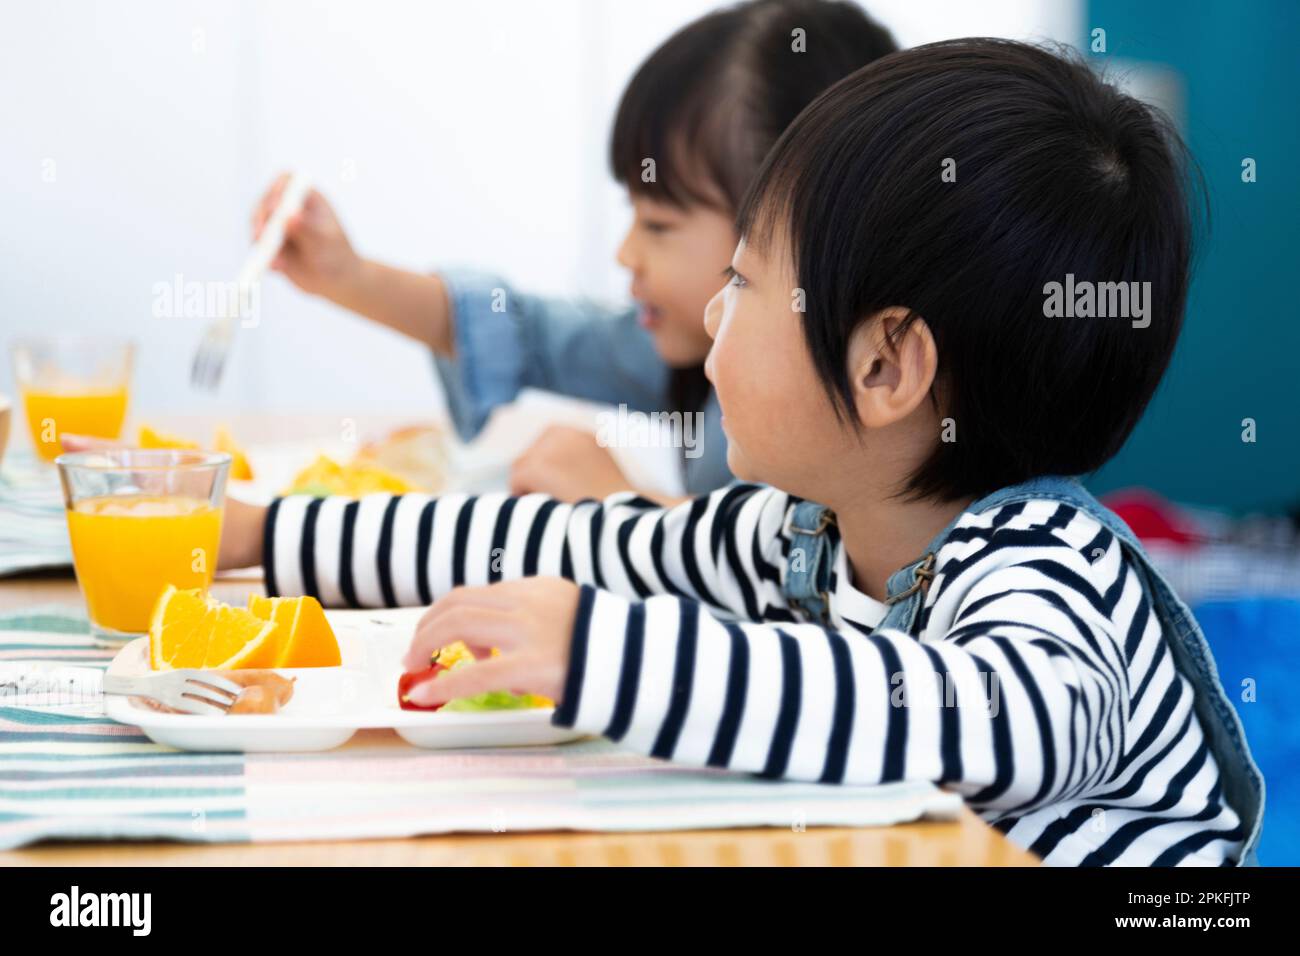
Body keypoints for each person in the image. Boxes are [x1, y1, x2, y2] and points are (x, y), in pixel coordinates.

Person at [220, 39, 1264, 866]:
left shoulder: (1047, 570)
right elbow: (556, 543)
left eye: (748, 277)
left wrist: (603, 653)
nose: (713, 310)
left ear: (887, 366)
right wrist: (262, 531)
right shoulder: (799, 526)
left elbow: (976, 711)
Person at [250, 0, 898, 504]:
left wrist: (620, 501)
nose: (624, 253)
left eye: (659, 223)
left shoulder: (863, 431)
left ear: (810, 230)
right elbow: (530, 333)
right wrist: (349, 276)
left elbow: (780, 593)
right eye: (632, 215)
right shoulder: (699, 352)